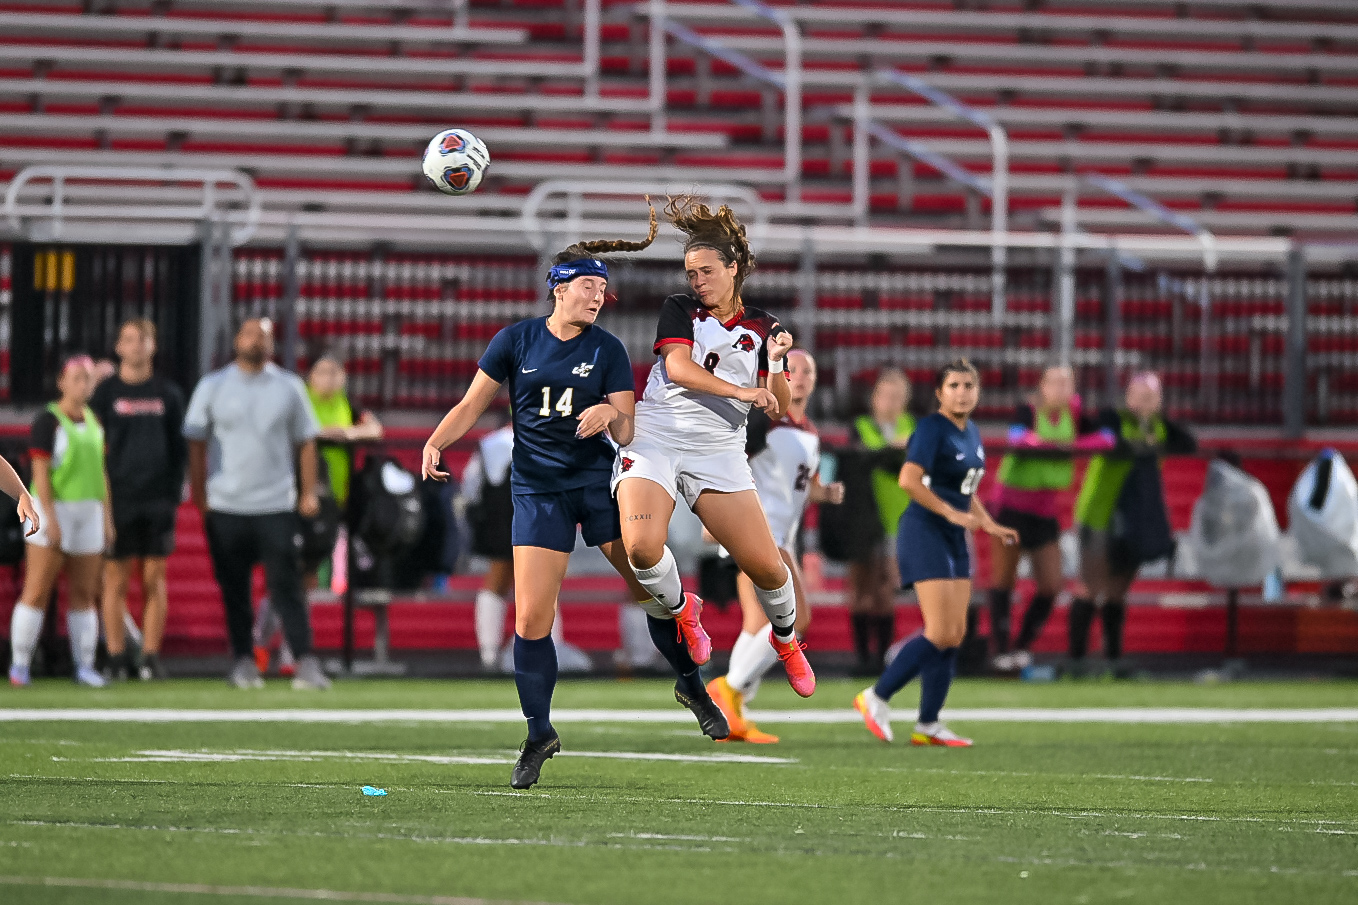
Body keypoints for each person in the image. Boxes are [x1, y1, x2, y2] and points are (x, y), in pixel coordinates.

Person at [422, 207, 687, 790]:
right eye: (588, 285)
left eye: (602, 289)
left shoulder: (608, 348)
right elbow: (472, 403)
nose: (598, 297)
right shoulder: (515, 340)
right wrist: (437, 440)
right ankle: (538, 732)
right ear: (559, 288)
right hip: (539, 490)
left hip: (595, 486)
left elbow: (627, 431)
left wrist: (610, 413)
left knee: (649, 587)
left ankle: (691, 681)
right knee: (530, 617)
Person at [614, 195, 816, 724]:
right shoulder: (679, 308)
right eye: (691, 272)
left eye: (706, 271)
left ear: (734, 268)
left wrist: (776, 366)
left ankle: (786, 640)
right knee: (641, 547)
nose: (697, 280)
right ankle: (686, 609)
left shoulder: (765, 326)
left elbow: (779, 405)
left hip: (719, 447)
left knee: (768, 568)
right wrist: (743, 391)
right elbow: (679, 369)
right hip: (657, 435)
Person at [854, 359, 1018, 746]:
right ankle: (876, 695)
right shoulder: (930, 428)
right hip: (925, 531)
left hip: (954, 535)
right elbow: (908, 480)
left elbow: (966, 490)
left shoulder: (971, 431)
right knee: (941, 630)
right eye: (954, 386)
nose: (962, 393)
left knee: (955, 633)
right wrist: (949, 513)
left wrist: (989, 524)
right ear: (939, 393)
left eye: (968, 385)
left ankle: (928, 723)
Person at [184, 318, 330, 691]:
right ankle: (243, 661)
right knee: (235, 589)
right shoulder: (213, 386)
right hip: (226, 504)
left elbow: (307, 441)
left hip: (275, 504)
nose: (256, 341)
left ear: (272, 343)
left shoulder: (289, 386)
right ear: (237, 339)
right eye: (250, 334)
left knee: (287, 585)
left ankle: (305, 661)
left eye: (263, 335)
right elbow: (196, 441)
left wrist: (307, 492)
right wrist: (200, 495)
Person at [707, 350, 843, 743]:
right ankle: (729, 689)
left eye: (807, 371)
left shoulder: (809, 431)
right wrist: (717, 513)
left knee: (757, 625)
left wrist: (824, 493)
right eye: (791, 368)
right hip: (758, 530)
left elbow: (802, 486)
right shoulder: (764, 417)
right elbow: (725, 460)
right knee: (796, 620)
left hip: (782, 535)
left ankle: (732, 713)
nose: (799, 376)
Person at [253, 353, 382, 677]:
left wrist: (349, 434)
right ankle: (259, 644)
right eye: (323, 371)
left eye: (336, 371)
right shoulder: (299, 400)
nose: (330, 378)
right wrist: (321, 434)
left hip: (332, 503)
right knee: (284, 575)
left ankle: (290, 652)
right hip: (295, 498)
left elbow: (374, 429)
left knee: (307, 578)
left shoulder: (348, 406)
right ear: (310, 376)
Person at [1069, 371, 1196, 673]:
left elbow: (1188, 443)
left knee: (1118, 590)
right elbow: (1101, 432)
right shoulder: (1114, 419)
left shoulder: (1159, 428)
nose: (1145, 403)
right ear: (1128, 398)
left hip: (1136, 520)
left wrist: (1153, 437)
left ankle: (1113, 659)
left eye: (1151, 397)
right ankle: (1076, 661)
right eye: (1139, 396)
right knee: (1090, 587)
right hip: (1099, 515)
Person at [989, 365, 1114, 672]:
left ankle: (1021, 645)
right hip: (1010, 508)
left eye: (1067, 383)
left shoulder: (1076, 417)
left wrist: (1067, 447)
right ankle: (1001, 651)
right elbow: (1018, 438)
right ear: (1042, 387)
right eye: (1055, 383)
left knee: (1052, 585)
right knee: (1004, 579)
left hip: (1044, 513)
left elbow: (1107, 439)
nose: (1061, 389)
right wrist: (1054, 447)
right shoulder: (1027, 411)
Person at [8, 355, 114, 688]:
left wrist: (107, 518)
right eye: (77, 378)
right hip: (52, 509)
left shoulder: (95, 421)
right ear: (62, 383)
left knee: (84, 592)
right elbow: (40, 473)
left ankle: (84, 665)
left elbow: (101, 473)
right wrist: (50, 520)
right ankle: (20, 665)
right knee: (37, 589)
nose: (83, 384)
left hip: (88, 511)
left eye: (88, 378)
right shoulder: (48, 421)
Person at [90, 318, 187, 682]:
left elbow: (179, 448)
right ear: (118, 347)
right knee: (115, 578)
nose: (136, 346)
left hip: (157, 498)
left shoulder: (168, 393)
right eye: (129, 339)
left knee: (154, 578)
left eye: (143, 339)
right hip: (119, 498)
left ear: (153, 346)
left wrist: (173, 493)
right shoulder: (105, 394)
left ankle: (149, 656)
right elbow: (94, 447)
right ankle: (116, 655)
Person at [463, 422, 594, 674]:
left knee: (507, 579)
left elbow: (471, 487)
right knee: (537, 581)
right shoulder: (550, 439)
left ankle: (493, 654)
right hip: (531, 517)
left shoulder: (491, 443)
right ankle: (542, 650)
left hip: (505, 519)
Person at [849, 368, 914, 674]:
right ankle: (862, 658)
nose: (891, 402)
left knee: (886, 589)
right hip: (864, 516)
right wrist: (894, 450)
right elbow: (869, 459)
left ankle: (881, 658)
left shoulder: (911, 426)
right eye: (886, 395)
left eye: (897, 396)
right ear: (874, 398)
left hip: (899, 516)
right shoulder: (862, 426)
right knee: (862, 587)